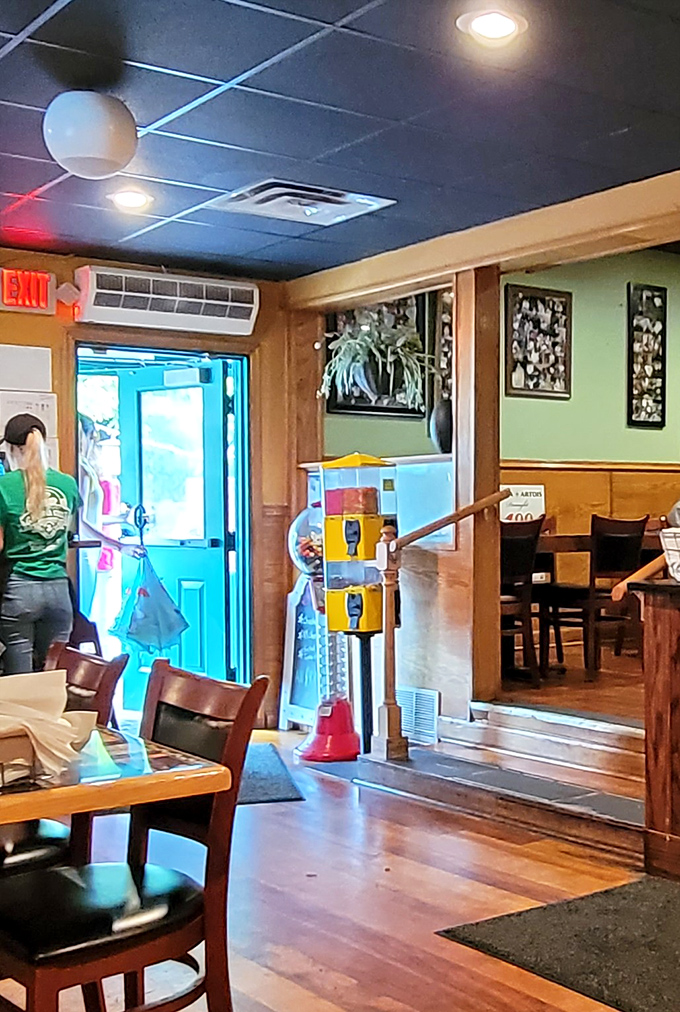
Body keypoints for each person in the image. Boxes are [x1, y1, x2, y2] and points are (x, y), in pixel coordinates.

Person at [0, 414, 81, 674]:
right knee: (53, 677)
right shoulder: (67, 483)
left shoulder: (4, 486)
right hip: (59, 590)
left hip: (19, 590)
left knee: (21, 680)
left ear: (11, 449)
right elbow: (69, 527)